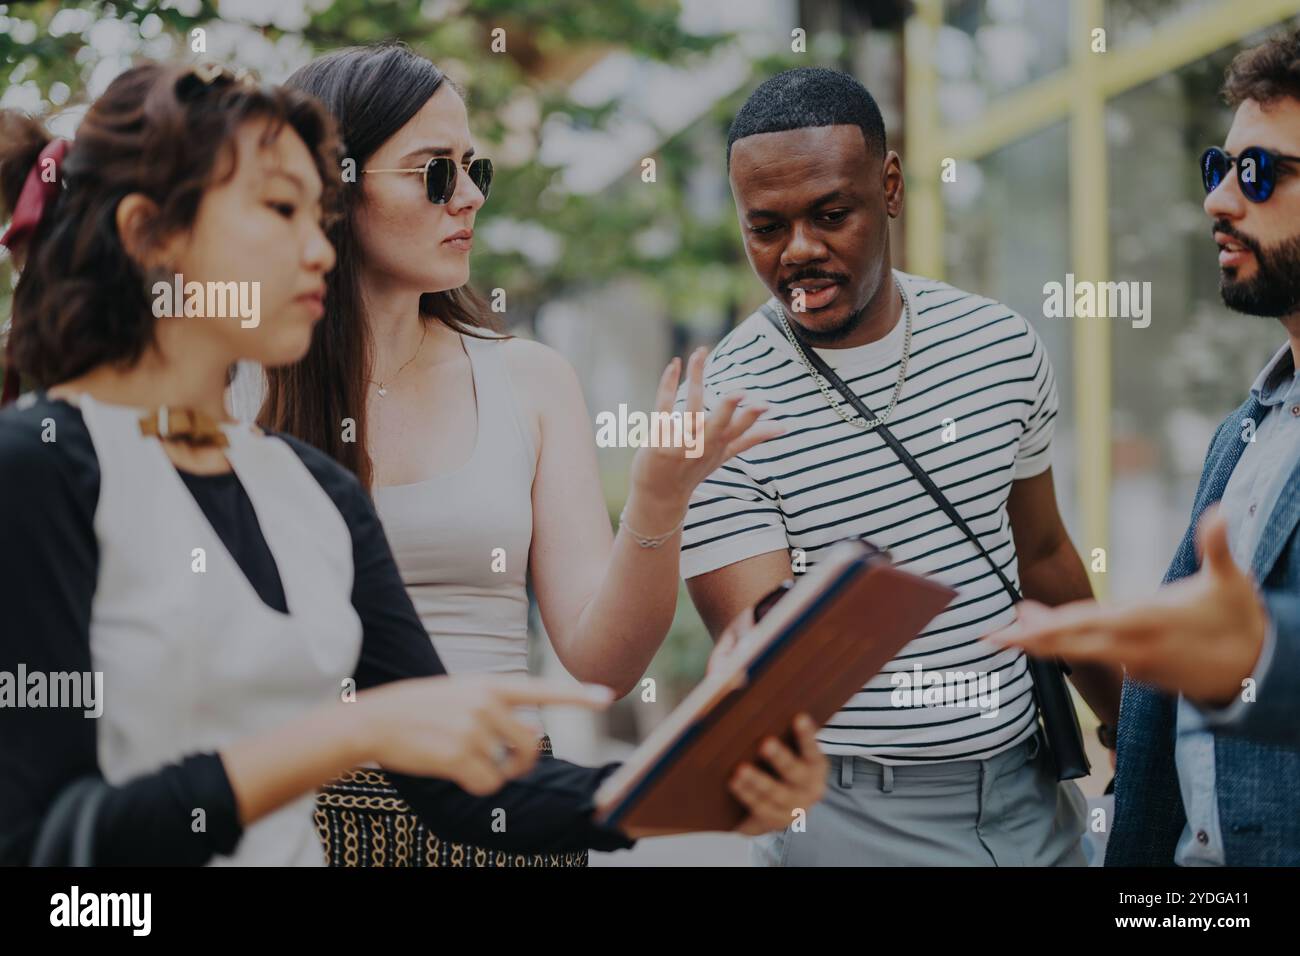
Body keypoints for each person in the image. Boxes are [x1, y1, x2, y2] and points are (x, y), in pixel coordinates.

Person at [0, 61, 827, 866]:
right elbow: (48, 843)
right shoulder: (36, 471)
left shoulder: (313, 489)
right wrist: (350, 734)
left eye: (315, 208)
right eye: (281, 209)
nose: (316, 245)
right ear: (149, 234)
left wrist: (699, 775)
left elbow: (469, 797)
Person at [228, 42, 788, 866]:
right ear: (333, 188)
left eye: (474, 168)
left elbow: (601, 663)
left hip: (502, 815)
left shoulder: (526, 380)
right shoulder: (227, 382)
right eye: (432, 173)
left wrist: (659, 498)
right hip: (291, 828)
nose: (468, 199)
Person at [677, 67, 1123, 866]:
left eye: (830, 214)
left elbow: (1045, 553)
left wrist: (1131, 730)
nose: (799, 252)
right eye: (766, 227)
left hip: (1034, 795)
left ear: (889, 187)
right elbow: (766, 665)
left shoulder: (999, 346)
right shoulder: (720, 413)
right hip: (851, 818)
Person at [994, 30, 1300, 867]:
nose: (1219, 201)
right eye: (1219, 167)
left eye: (1261, 173)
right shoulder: (1251, 428)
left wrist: (1262, 655)